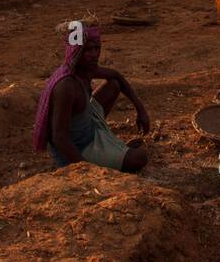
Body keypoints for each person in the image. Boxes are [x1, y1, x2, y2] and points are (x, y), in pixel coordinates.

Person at [34, 23, 150, 173]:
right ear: (75, 51)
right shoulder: (66, 85)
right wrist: (86, 169)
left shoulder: (85, 70)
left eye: (96, 48)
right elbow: (59, 137)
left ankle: (107, 143)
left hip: (88, 126)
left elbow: (116, 76)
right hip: (80, 147)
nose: (94, 54)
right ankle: (104, 151)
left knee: (113, 84)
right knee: (139, 158)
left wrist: (141, 110)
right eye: (87, 49)